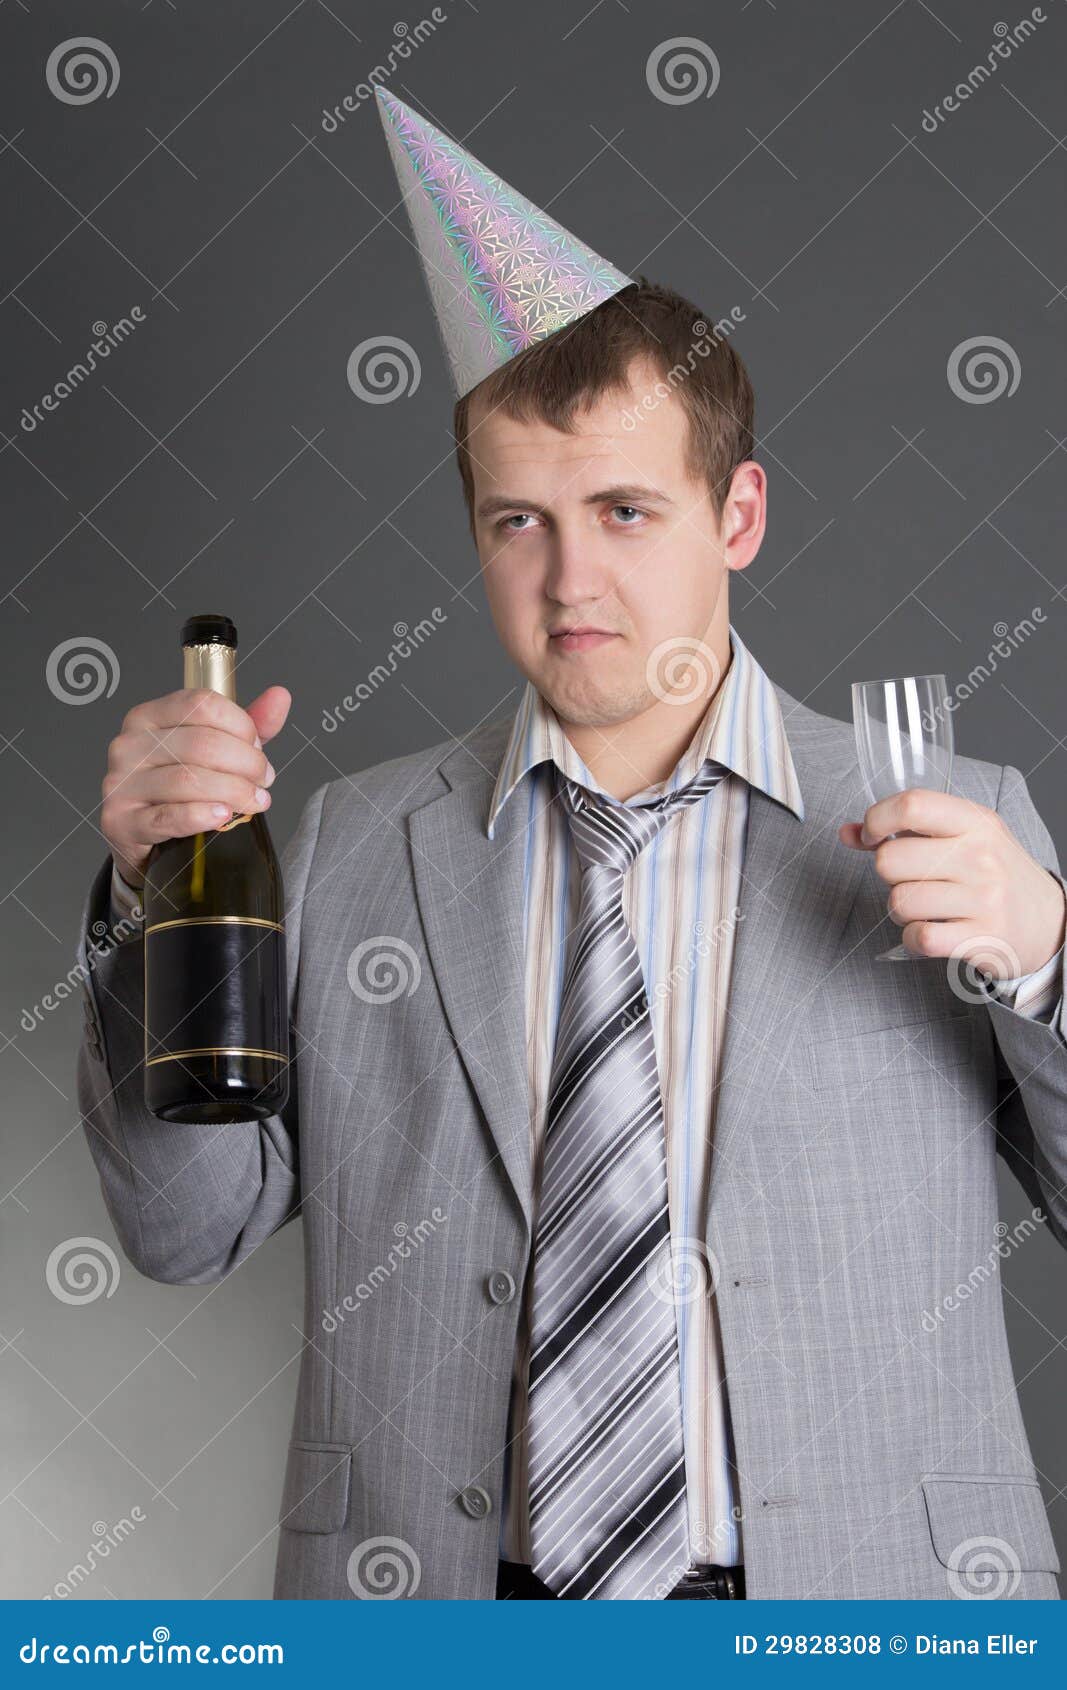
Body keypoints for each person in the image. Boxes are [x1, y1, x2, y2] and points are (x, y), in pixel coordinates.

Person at [75, 93, 1066, 1602]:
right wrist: (155, 910)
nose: (570, 578)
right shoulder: (349, 844)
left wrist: (1053, 953)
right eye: (517, 521)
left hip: (867, 1599)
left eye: (622, 507)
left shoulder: (955, 814)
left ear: (737, 511)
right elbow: (181, 1231)